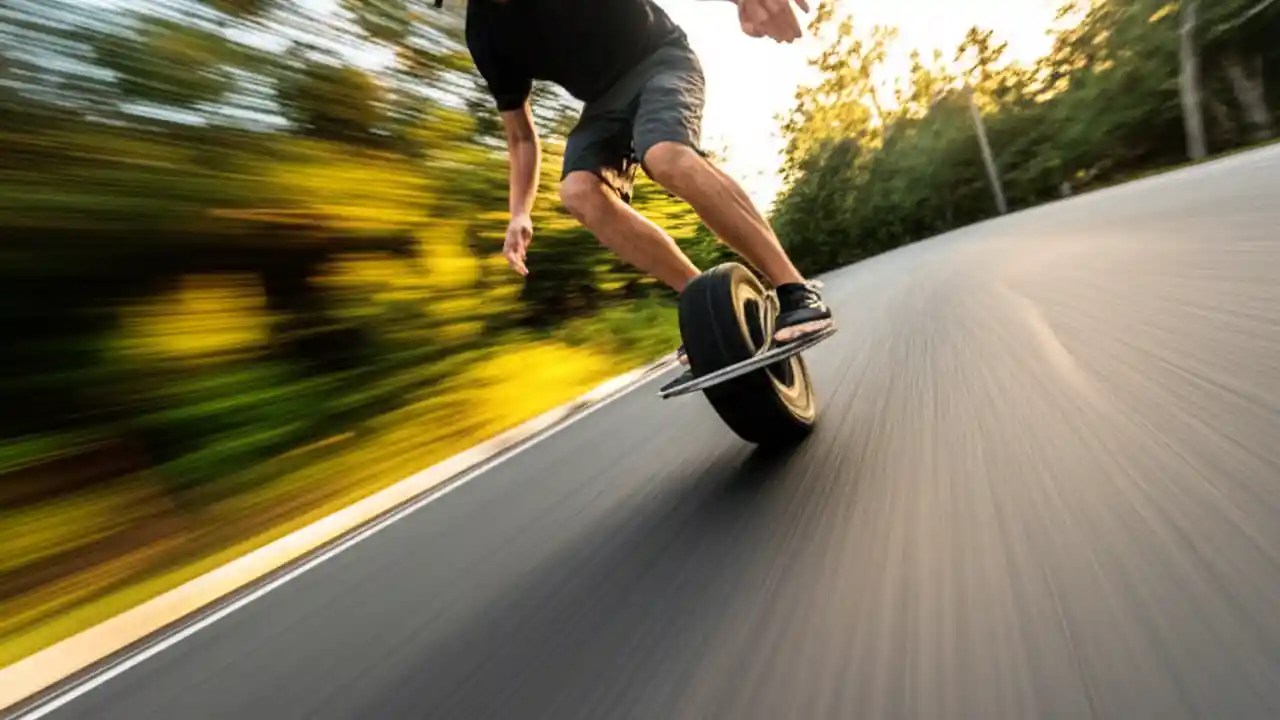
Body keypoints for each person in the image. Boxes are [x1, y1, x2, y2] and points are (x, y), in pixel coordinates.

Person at [464, 0, 833, 362]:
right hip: (601, 105)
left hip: (660, 59)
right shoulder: (485, 33)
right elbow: (521, 137)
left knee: (664, 155)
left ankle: (795, 287)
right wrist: (518, 213)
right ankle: (709, 309)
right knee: (578, 192)